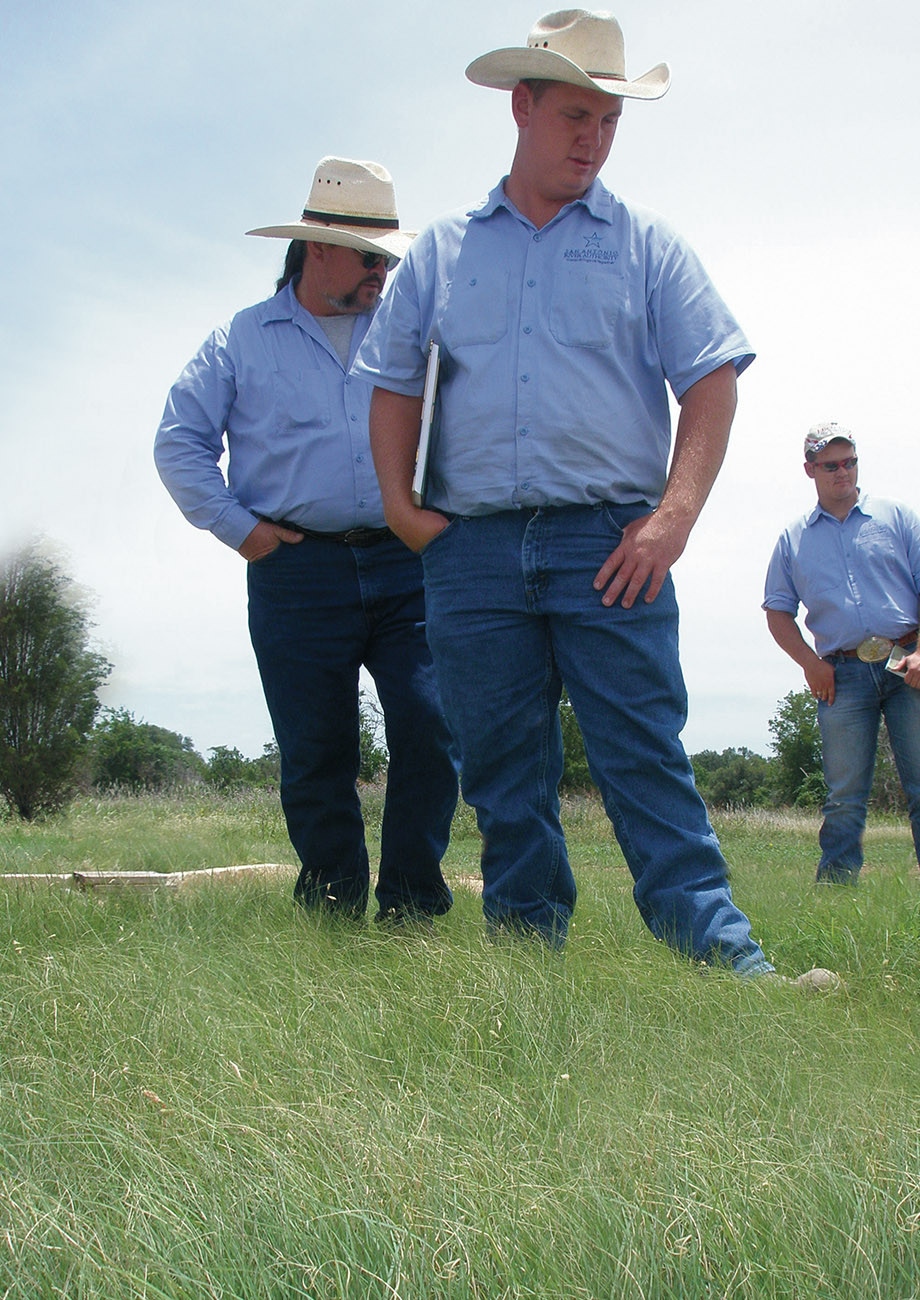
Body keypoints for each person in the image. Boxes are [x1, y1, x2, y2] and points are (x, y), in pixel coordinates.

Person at [354, 10, 778, 975]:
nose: (593, 138)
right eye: (576, 115)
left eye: (610, 122)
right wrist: (402, 512)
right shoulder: (443, 250)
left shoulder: (647, 244)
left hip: (610, 546)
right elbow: (390, 382)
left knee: (641, 754)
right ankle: (528, 959)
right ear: (523, 105)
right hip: (472, 550)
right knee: (503, 772)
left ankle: (722, 959)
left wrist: (672, 520)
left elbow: (712, 378)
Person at [154, 157, 458, 926]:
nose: (382, 272)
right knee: (316, 750)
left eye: (389, 257)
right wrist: (243, 532)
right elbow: (180, 444)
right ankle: (331, 903)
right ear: (316, 246)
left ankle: (413, 905)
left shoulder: (411, 333)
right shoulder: (241, 340)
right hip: (295, 569)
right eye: (370, 256)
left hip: (407, 562)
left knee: (432, 728)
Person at [763, 422, 920, 883]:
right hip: (842, 674)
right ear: (810, 469)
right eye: (830, 465)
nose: (842, 472)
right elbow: (777, 612)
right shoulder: (793, 539)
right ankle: (837, 891)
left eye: (849, 462)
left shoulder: (897, 518)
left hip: (906, 661)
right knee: (845, 794)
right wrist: (811, 664)